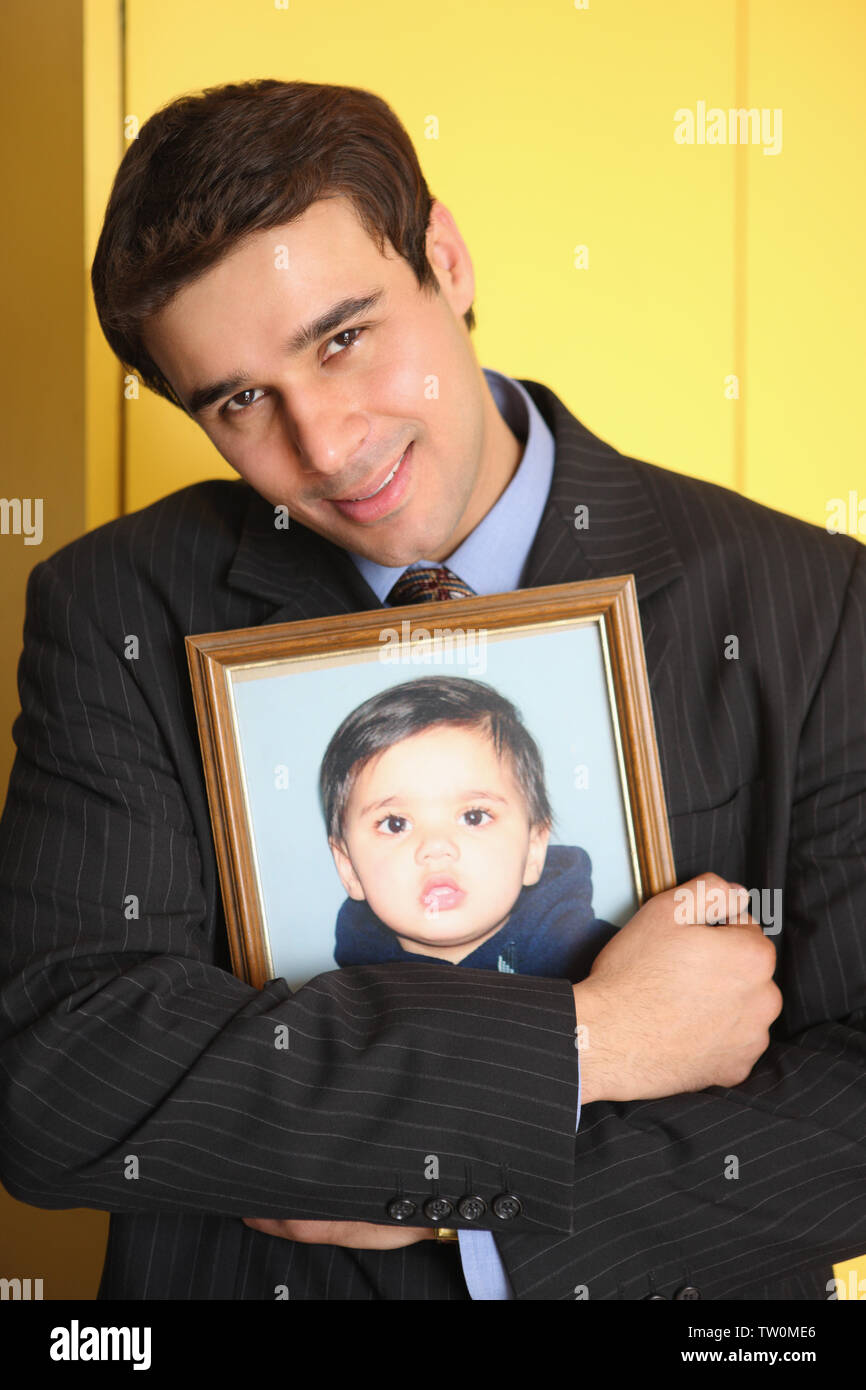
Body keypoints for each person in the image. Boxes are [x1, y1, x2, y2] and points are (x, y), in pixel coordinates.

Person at [0, 77, 862, 1302]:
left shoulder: (812, 598)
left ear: (445, 262)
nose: (330, 445)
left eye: (342, 337)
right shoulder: (116, 611)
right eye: (241, 401)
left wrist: (462, 1223)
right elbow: (62, 1077)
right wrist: (590, 1042)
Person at [321, 675, 617, 978]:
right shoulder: (339, 1011)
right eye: (396, 824)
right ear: (348, 867)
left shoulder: (617, 971)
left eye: (474, 817)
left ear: (534, 849)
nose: (435, 847)